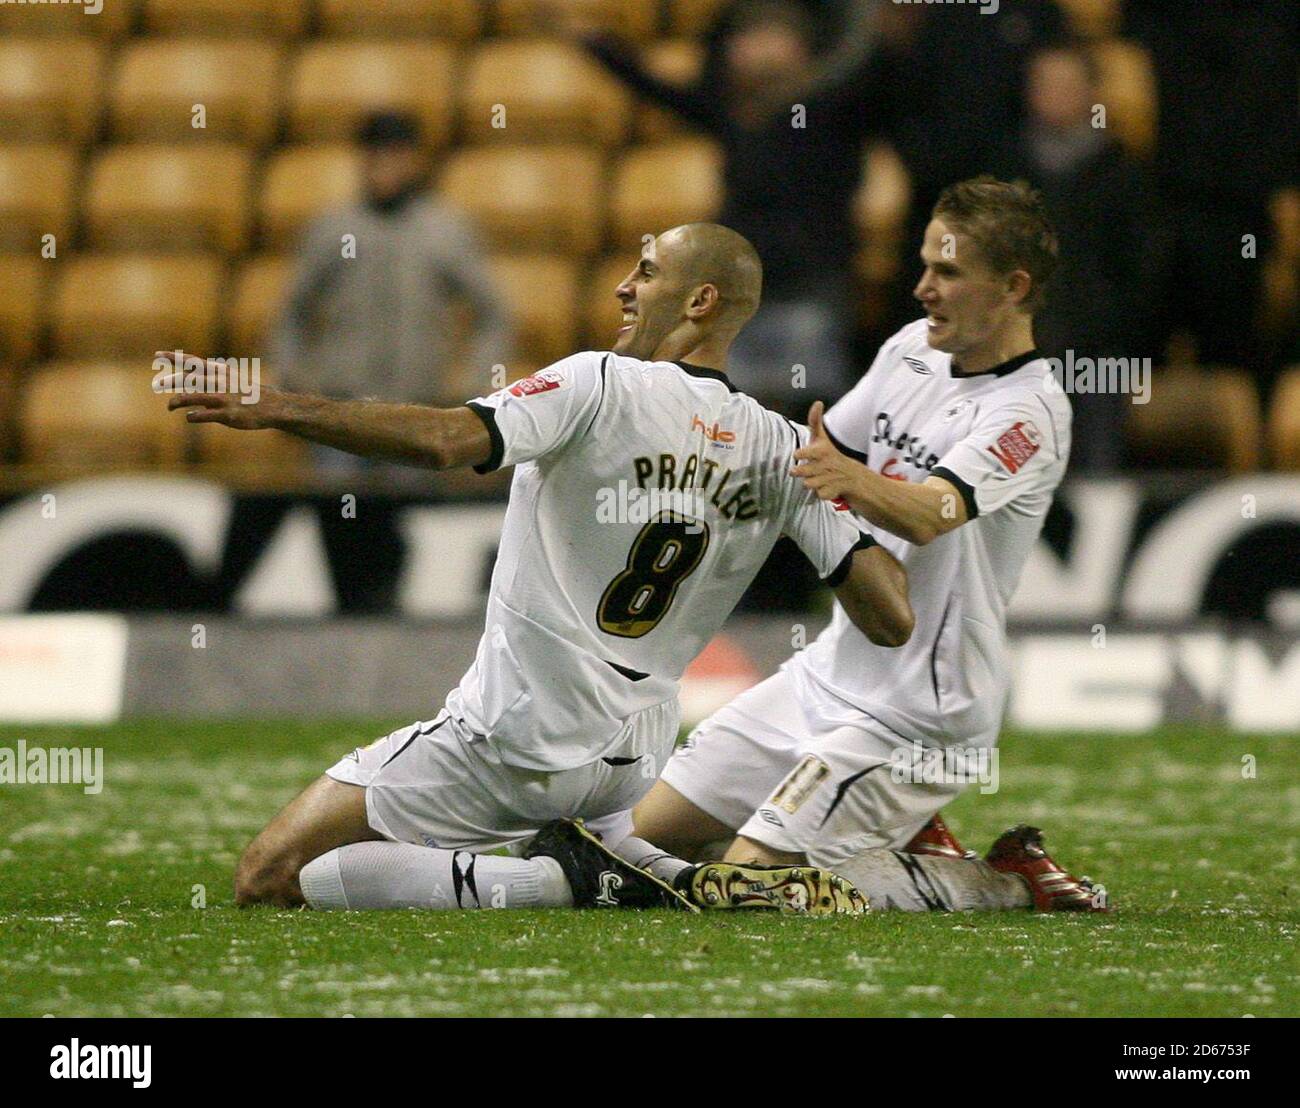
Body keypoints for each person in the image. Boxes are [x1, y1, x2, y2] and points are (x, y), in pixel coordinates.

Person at [161, 223, 914, 915]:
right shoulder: (782, 447)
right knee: (574, 832)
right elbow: (891, 620)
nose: (624, 285)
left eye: (646, 272)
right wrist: (845, 485)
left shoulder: (597, 384)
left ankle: (557, 880)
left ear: (700, 300)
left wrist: (281, 407)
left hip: (516, 739)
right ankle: (657, 869)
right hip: (631, 764)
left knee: (272, 875)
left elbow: (447, 442)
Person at [631, 179, 1107, 913]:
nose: (922, 288)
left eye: (947, 272)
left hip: (921, 714)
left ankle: (1007, 883)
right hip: (826, 677)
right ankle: (912, 838)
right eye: (924, 265)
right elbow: (824, 452)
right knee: (634, 847)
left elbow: (932, 512)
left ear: (1012, 288)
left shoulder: (1031, 412)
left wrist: (842, 474)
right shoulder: (910, 349)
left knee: (746, 885)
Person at [554, 0, 885, 414]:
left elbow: (863, 57)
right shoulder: (733, 113)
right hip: (741, 285)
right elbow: (656, 88)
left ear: (801, 49)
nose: (753, 49)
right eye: (745, 39)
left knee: (809, 410)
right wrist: (596, 44)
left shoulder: (833, 109)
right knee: (729, 408)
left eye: (770, 36)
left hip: (809, 278)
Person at [272, 110, 513, 477]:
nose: (385, 165)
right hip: (341, 412)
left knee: (404, 510)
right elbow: (292, 310)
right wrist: (295, 379)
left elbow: (493, 312)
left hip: (416, 410)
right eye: (375, 155)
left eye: (396, 155)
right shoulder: (334, 228)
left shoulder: (444, 229)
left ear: (415, 160)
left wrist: (475, 381)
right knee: (338, 517)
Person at [989, 42, 1159, 474]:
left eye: (1067, 85)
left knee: (1097, 472)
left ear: (1091, 93)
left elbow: (1143, 268)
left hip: (1099, 352)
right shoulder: (1001, 172)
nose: (1054, 95)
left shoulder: (1123, 173)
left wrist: (1108, 327)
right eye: (1044, 85)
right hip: (1015, 354)